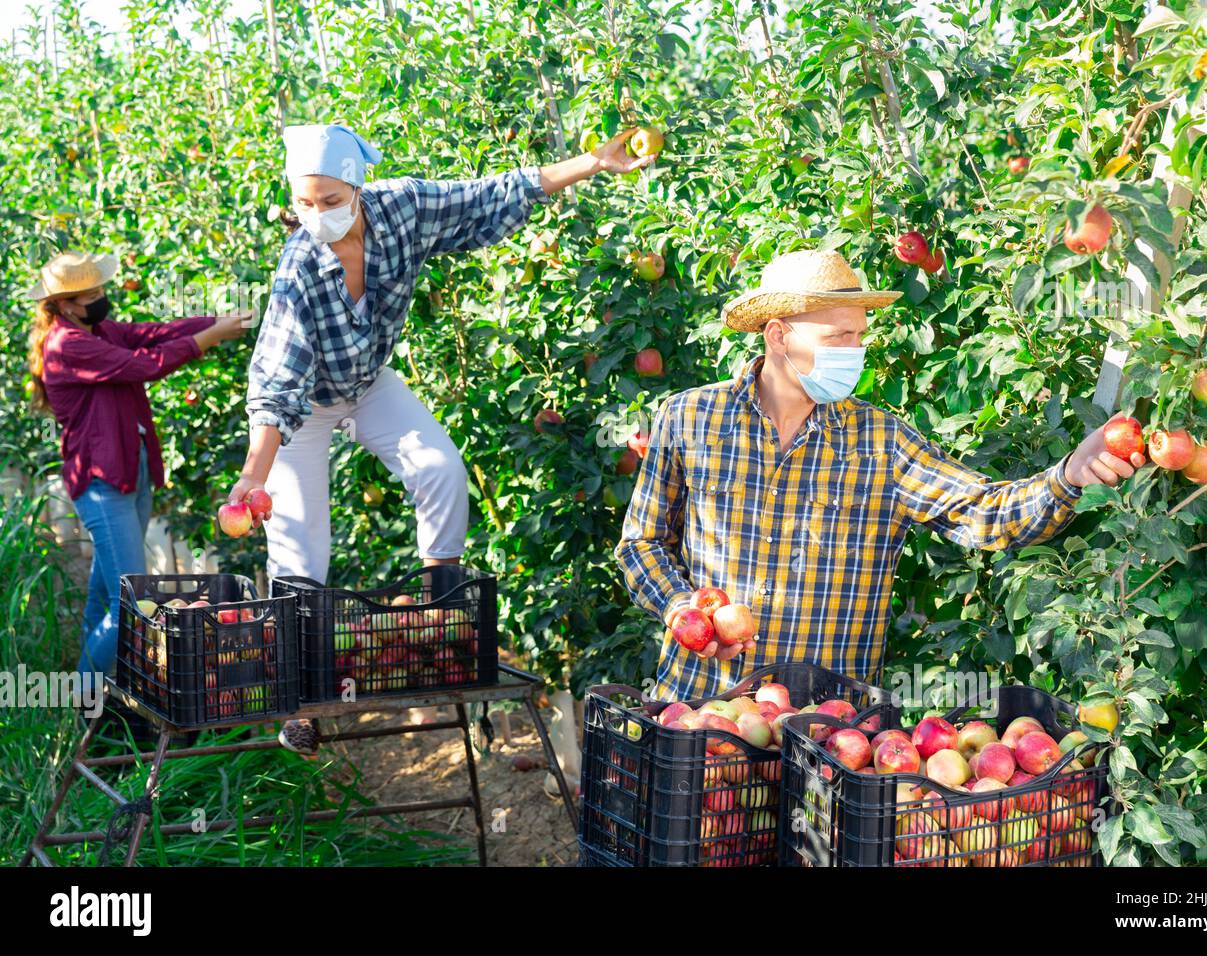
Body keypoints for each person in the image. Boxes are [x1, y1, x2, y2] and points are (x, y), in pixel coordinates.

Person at [233, 124, 656, 754]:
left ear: (357, 187)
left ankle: (437, 618)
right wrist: (253, 475)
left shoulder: (402, 207)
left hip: (370, 382)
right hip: (306, 405)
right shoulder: (300, 269)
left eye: (328, 200)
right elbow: (279, 380)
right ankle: (297, 699)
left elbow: (494, 194)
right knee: (298, 547)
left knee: (440, 468)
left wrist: (591, 163)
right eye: (303, 203)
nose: (316, 214)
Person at [615, 249, 1146, 702]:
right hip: (700, 701)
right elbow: (642, 541)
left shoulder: (880, 442)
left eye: (860, 335)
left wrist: (1069, 474)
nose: (855, 351)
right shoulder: (688, 418)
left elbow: (983, 514)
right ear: (778, 336)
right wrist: (681, 607)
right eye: (839, 336)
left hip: (823, 727)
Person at [28, 252, 246, 682]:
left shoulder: (99, 329)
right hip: (101, 483)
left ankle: (98, 698)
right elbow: (144, 365)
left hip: (131, 471)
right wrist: (210, 336)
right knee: (129, 605)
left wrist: (213, 322)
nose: (100, 298)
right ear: (64, 304)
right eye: (90, 295)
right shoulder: (67, 345)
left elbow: (151, 334)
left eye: (100, 290)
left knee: (103, 593)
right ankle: (81, 697)